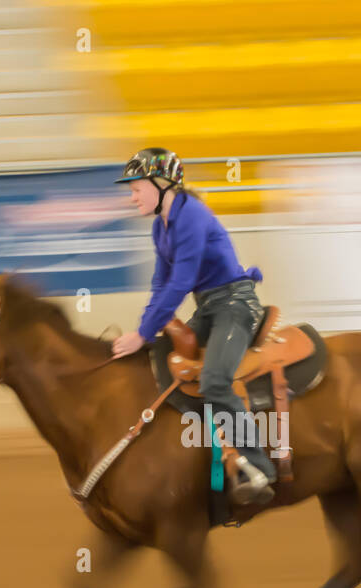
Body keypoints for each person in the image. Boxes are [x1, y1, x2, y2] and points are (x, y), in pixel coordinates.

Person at [111, 147, 276, 505]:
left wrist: (141, 334)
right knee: (163, 361)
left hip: (235, 305)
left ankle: (260, 468)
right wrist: (145, 331)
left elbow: (180, 282)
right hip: (208, 309)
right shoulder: (161, 226)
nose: (132, 195)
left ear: (163, 185)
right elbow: (160, 285)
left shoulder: (193, 217)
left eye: (137, 187)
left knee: (215, 380)